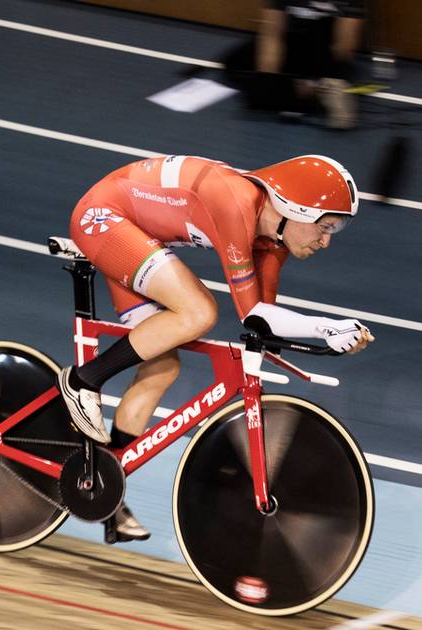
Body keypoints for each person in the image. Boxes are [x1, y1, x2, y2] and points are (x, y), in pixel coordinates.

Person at [59, 154, 373, 542]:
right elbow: (254, 314)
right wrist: (326, 327)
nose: (325, 241)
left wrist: (332, 339)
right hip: (105, 218)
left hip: (134, 231)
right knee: (198, 310)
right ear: (294, 209)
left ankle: (108, 490)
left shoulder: (272, 240)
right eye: (324, 228)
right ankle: (83, 381)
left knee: (162, 368)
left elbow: (264, 322)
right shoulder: (236, 202)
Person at [224, 1, 365, 128]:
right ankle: (311, 93)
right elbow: (272, 35)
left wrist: (328, 74)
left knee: (342, 69)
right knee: (234, 62)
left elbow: (344, 47)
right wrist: (270, 80)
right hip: (291, 41)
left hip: (324, 46)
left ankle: (311, 90)